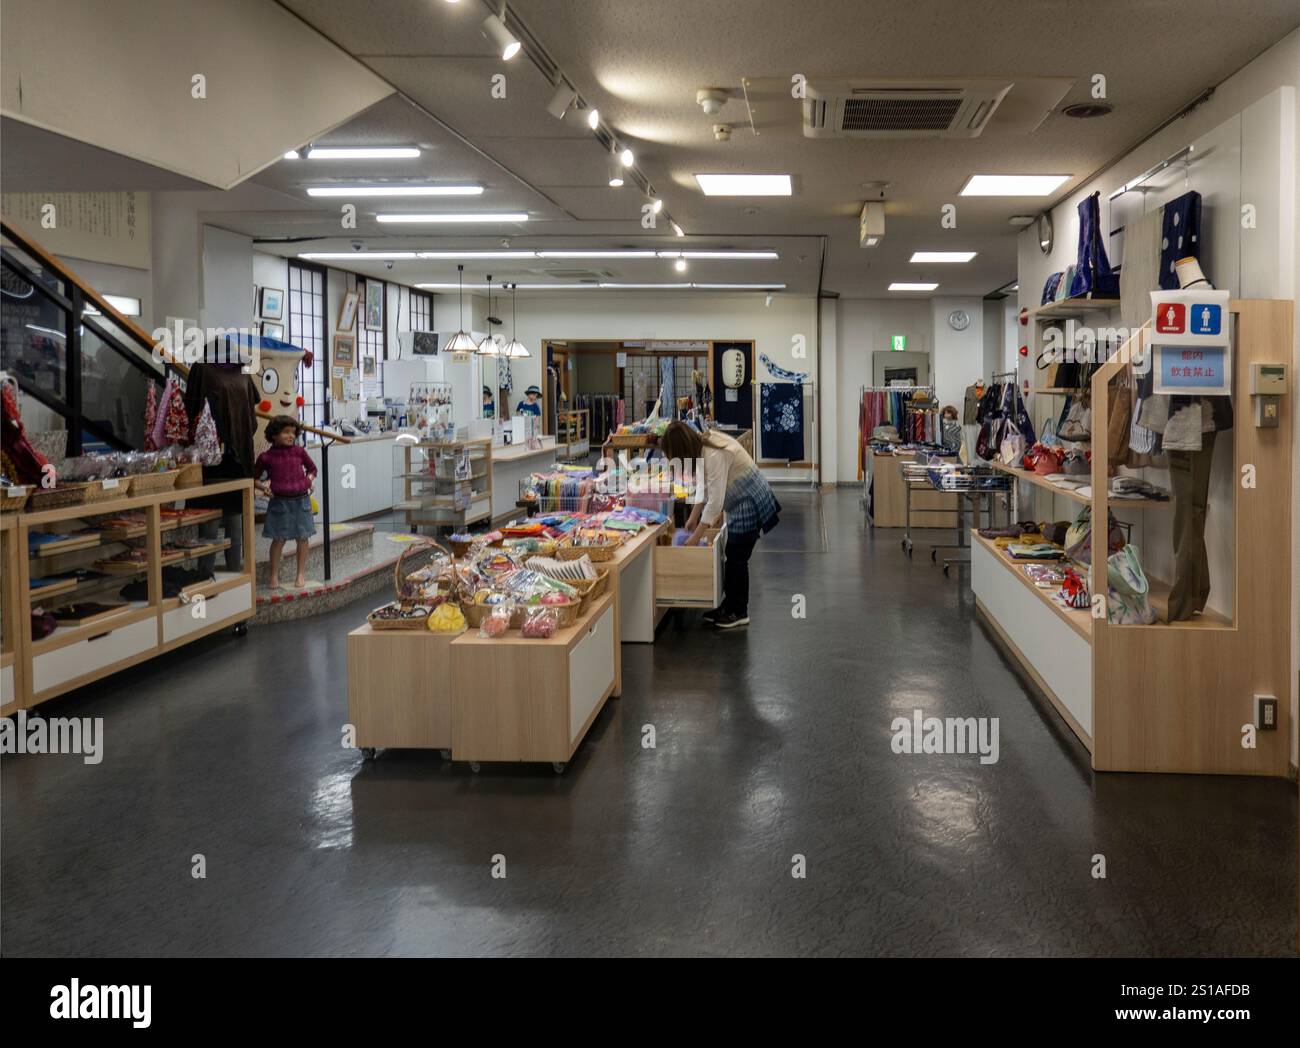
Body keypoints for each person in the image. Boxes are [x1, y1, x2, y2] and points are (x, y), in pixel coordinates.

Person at [659, 420, 781, 630]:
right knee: (733, 553)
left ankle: (739, 611)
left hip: (749, 500)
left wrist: (695, 537)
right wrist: (693, 517)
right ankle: (729, 606)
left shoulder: (713, 455)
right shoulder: (704, 445)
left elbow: (715, 502)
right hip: (738, 501)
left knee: (737, 556)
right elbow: (703, 485)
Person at [254, 415, 318, 589]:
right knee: (278, 540)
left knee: (303, 538)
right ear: (274, 435)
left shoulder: (299, 451)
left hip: (301, 500)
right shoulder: (265, 457)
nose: (291, 435)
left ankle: (300, 574)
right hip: (279, 502)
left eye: (293, 432)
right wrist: (263, 487)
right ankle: (273, 575)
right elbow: (254, 478)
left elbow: (313, 469)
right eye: (286, 432)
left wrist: (309, 480)